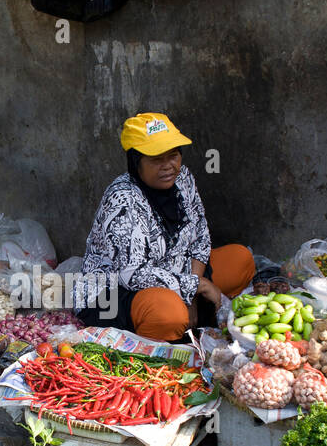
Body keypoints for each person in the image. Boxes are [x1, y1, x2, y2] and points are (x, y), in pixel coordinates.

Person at [74, 112, 255, 342]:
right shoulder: (122, 199)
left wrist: (192, 294)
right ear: (136, 162)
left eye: (174, 155)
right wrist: (196, 285)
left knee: (241, 260)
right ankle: (158, 337)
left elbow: (200, 236)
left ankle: (192, 315)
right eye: (157, 159)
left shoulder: (183, 179)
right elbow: (133, 274)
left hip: (176, 275)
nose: (169, 166)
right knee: (168, 315)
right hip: (116, 291)